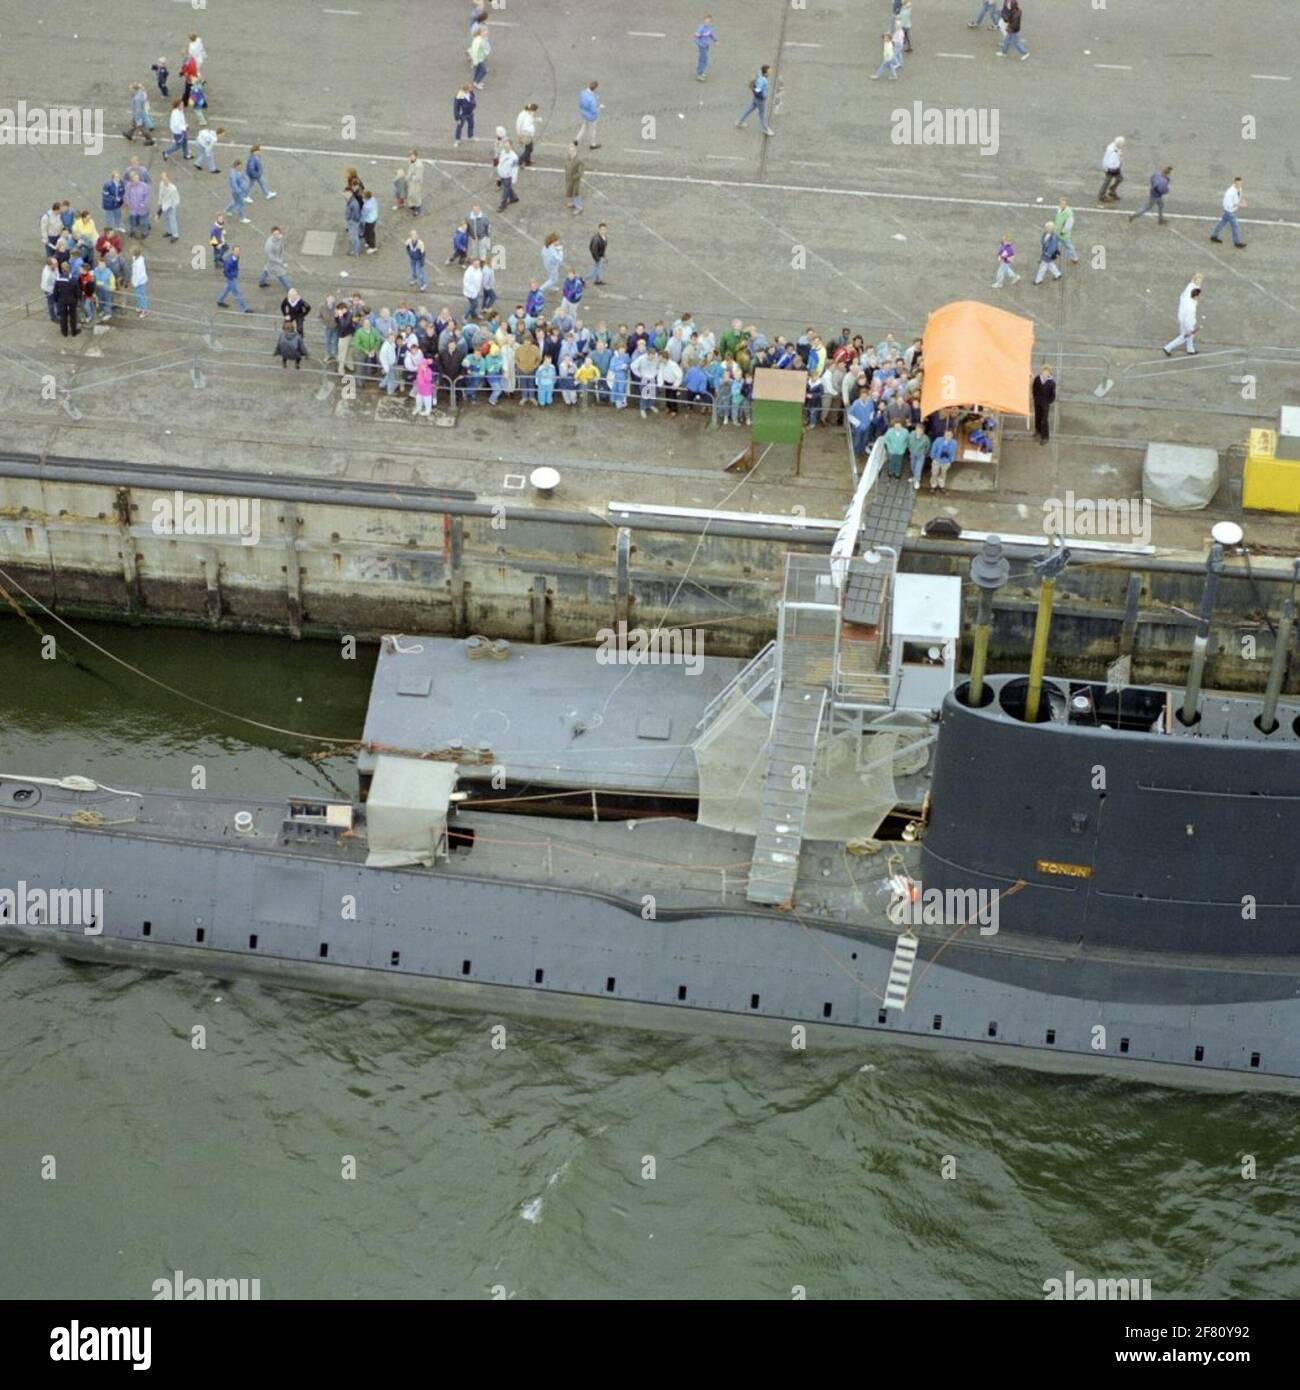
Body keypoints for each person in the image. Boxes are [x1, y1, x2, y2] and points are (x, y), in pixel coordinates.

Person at [1163, 275, 1203, 356]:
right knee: (1183, 337)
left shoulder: (1188, 293)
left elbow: (1192, 285)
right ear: (1196, 296)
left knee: (1189, 336)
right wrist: (1190, 330)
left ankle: (1190, 349)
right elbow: (1188, 321)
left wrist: (1196, 282)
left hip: (1181, 316)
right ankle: (1168, 348)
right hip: (1187, 321)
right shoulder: (1191, 308)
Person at [1210, 177, 1247, 248]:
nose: (1239, 185)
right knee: (1235, 226)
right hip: (1229, 211)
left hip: (1231, 210)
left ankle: (1213, 236)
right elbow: (1228, 204)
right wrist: (1240, 204)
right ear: (1234, 183)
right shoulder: (1230, 192)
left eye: (1240, 183)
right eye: (1238, 184)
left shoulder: (1239, 188)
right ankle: (1237, 242)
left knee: (1221, 223)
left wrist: (1242, 200)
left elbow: (1238, 197)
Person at [737, 65, 774, 132]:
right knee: (762, 114)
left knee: (749, 109)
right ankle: (766, 129)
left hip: (755, 98)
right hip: (760, 100)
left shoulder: (760, 74)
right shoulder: (763, 81)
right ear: (765, 73)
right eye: (769, 71)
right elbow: (757, 90)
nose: (770, 72)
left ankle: (739, 122)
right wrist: (762, 96)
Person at [217, 244, 249, 311]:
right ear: (233, 251)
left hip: (232, 276)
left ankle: (219, 300)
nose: (237, 252)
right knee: (237, 293)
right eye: (236, 251)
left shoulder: (236, 257)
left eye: (238, 251)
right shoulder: (230, 261)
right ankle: (244, 309)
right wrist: (232, 276)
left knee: (226, 289)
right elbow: (225, 272)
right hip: (231, 278)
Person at [1031, 365, 1056, 444]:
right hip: (1037, 401)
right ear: (1041, 372)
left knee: (1044, 419)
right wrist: (1035, 398)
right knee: (1037, 416)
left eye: (1047, 372)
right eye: (1043, 371)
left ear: (1049, 373)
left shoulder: (1051, 382)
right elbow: (1034, 389)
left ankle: (1045, 437)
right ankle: (1038, 430)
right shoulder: (1037, 379)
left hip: (1045, 403)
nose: (1045, 373)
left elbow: (1053, 395)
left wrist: (1048, 402)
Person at [1053, 198, 1080, 266]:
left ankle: (1074, 258)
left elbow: (1068, 225)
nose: (1061, 205)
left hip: (1063, 235)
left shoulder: (1069, 214)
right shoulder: (1059, 210)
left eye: (1062, 204)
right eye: (1060, 203)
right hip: (1057, 231)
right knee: (1053, 242)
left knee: (1068, 246)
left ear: (1066, 204)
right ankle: (1054, 253)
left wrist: (1063, 232)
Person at [1098, 136, 1125, 203]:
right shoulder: (1114, 153)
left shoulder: (1112, 145)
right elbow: (1112, 164)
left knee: (1119, 179)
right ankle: (1101, 195)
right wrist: (1118, 165)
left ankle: (1112, 190)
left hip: (1109, 167)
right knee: (1107, 182)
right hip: (1111, 169)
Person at [576, 81, 601, 149]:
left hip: (584, 114)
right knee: (592, 130)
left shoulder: (583, 93)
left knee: (583, 128)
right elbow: (594, 111)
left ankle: (576, 140)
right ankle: (592, 144)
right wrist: (599, 107)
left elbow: (580, 104)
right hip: (591, 117)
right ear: (595, 88)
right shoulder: (592, 99)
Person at [156, 173, 181, 242]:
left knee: (172, 220)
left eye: (166, 179)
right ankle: (169, 232)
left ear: (169, 179)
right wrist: (160, 203)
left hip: (171, 206)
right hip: (164, 205)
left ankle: (175, 235)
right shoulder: (161, 184)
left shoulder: (173, 189)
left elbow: (176, 200)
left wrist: (172, 207)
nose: (164, 181)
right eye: (163, 179)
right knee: (166, 219)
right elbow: (160, 194)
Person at [497, 141, 520, 209]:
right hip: (502, 174)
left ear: (511, 146)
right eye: (505, 146)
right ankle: (514, 198)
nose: (506, 148)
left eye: (508, 146)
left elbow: (515, 169)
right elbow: (500, 162)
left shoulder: (514, 157)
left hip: (508, 177)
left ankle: (503, 205)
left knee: (505, 191)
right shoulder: (503, 152)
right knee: (508, 188)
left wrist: (514, 179)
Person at [694, 16, 717, 81]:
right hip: (702, 46)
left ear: (711, 22)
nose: (707, 23)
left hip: (706, 45)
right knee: (704, 59)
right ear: (703, 21)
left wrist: (715, 40)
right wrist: (699, 43)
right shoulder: (701, 28)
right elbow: (696, 36)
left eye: (709, 21)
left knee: (703, 59)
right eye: (706, 21)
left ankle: (701, 72)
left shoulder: (709, 28)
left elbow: (711, 34)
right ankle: (699, 74)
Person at [907, 422, 929, 490]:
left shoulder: (926, 438)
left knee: (918, 468)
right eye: (917, 430)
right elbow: (908, 442)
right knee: (913, 466)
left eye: (920, 430)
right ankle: (914, 477)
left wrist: (924, 453)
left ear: (923, 431)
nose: (919, 431)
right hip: (913, 454)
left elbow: (927, 447)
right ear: (915, 429)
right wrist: (910, 449)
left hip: (920, 455)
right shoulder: (911, 434)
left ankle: (917, 481)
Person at [468, 24, 490, 89]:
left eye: (486, 30)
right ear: (480, 32)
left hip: (479, 59)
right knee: (484, 70)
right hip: (478, 59)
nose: (487, 32)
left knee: (478, 70)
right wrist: (475, 61)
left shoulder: (480, 39)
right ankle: (476, 83)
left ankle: (475, 81)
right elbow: (474, 51)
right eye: (484, 31)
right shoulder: (479, 41)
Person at [564, 144, 584, 215]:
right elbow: (566, 166)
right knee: (571, 192)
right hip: (569, 180)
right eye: (569, 151)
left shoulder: (579, 161)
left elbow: (580, 173)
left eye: (572, 151)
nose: (570, 152)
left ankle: (579, 207)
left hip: (575, 181)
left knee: (576, 194)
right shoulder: (569, 158)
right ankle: (573, 203)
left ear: (575, 151)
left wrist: (574, 177)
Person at [130, 248, 149, 318]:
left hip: (139, 282)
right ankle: (140, 307)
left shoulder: (139, 264)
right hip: (137, 281)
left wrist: (135, 283)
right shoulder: (137, 259)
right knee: (138, 295)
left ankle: (145, 310)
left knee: (141, 296)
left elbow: (139, 275)